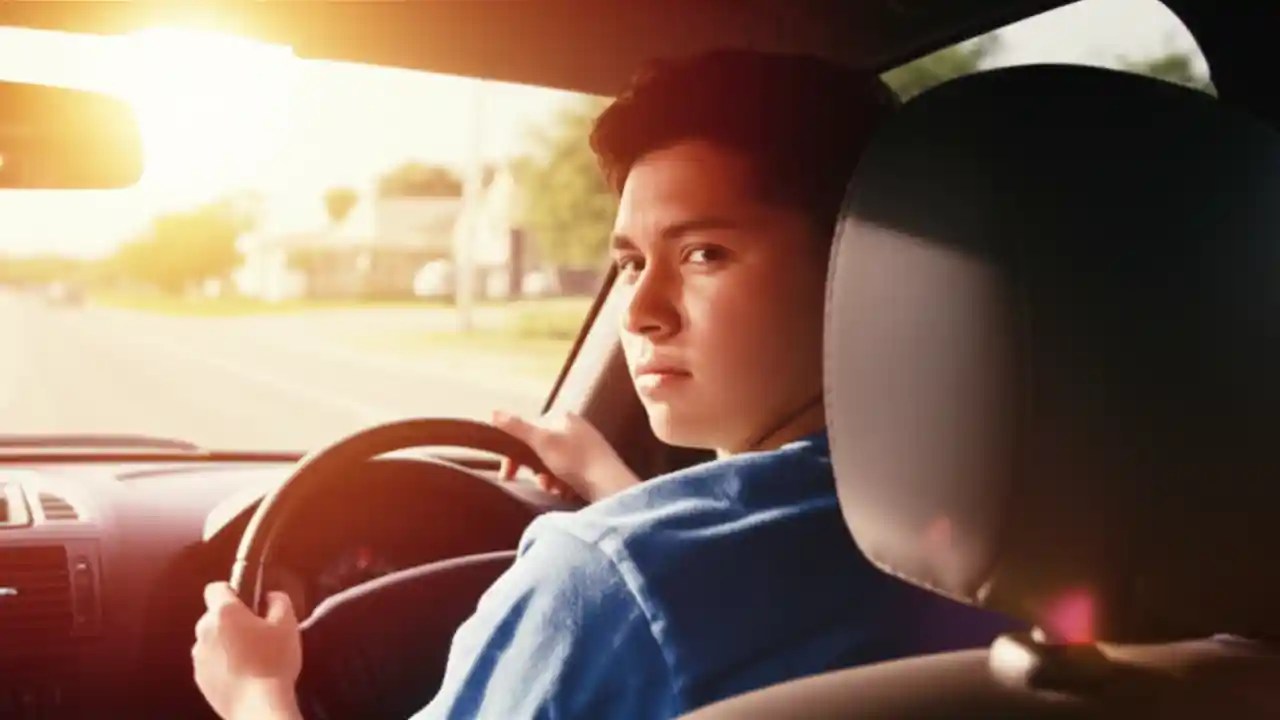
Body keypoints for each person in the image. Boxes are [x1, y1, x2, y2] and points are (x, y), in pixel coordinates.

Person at [192, 49, 1013, 720]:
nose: (642, 311)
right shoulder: (1029, 533)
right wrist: (610, 488)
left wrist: (258, 693)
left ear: (858, 271)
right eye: (628, 263)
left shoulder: (603, 585)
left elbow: (661, 594)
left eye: (703, 254)